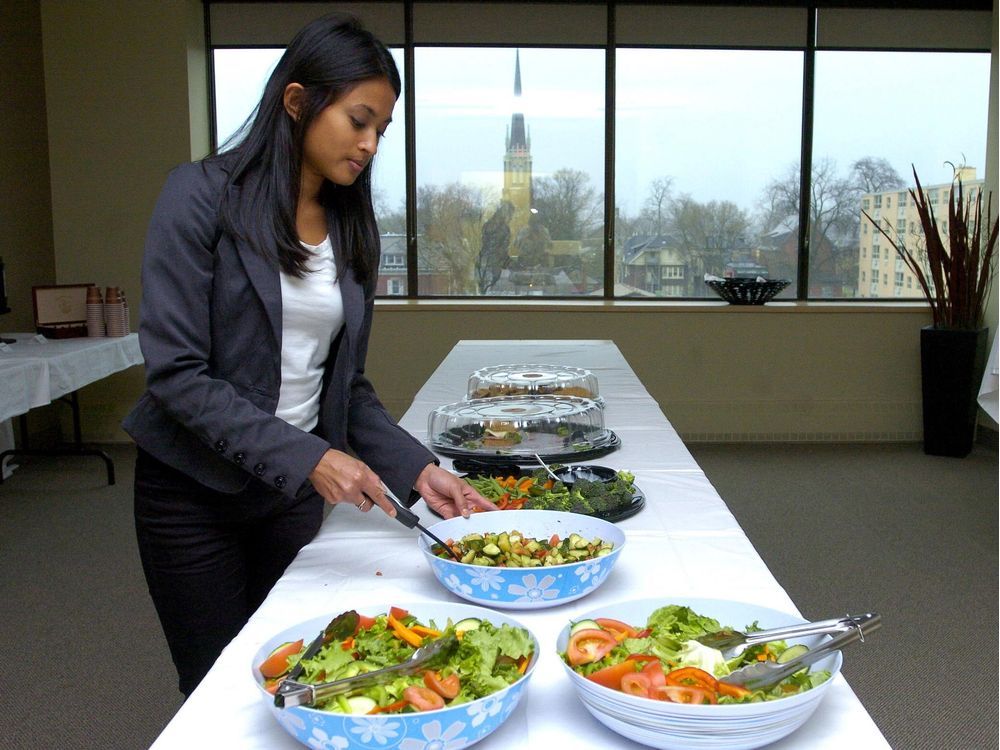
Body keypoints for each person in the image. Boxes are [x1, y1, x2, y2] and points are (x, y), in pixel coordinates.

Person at [123, 13, 493, 697]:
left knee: (306, 680)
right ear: (297, 102)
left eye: (382, 129)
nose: (370, 143)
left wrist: (419, 470)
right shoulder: (198, 197)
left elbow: (346, 388)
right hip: (190, 499)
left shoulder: (355, 228)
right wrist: (312, 457)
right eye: (358, 120)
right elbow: (178, 375)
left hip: (288, 494)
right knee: (219, 693)